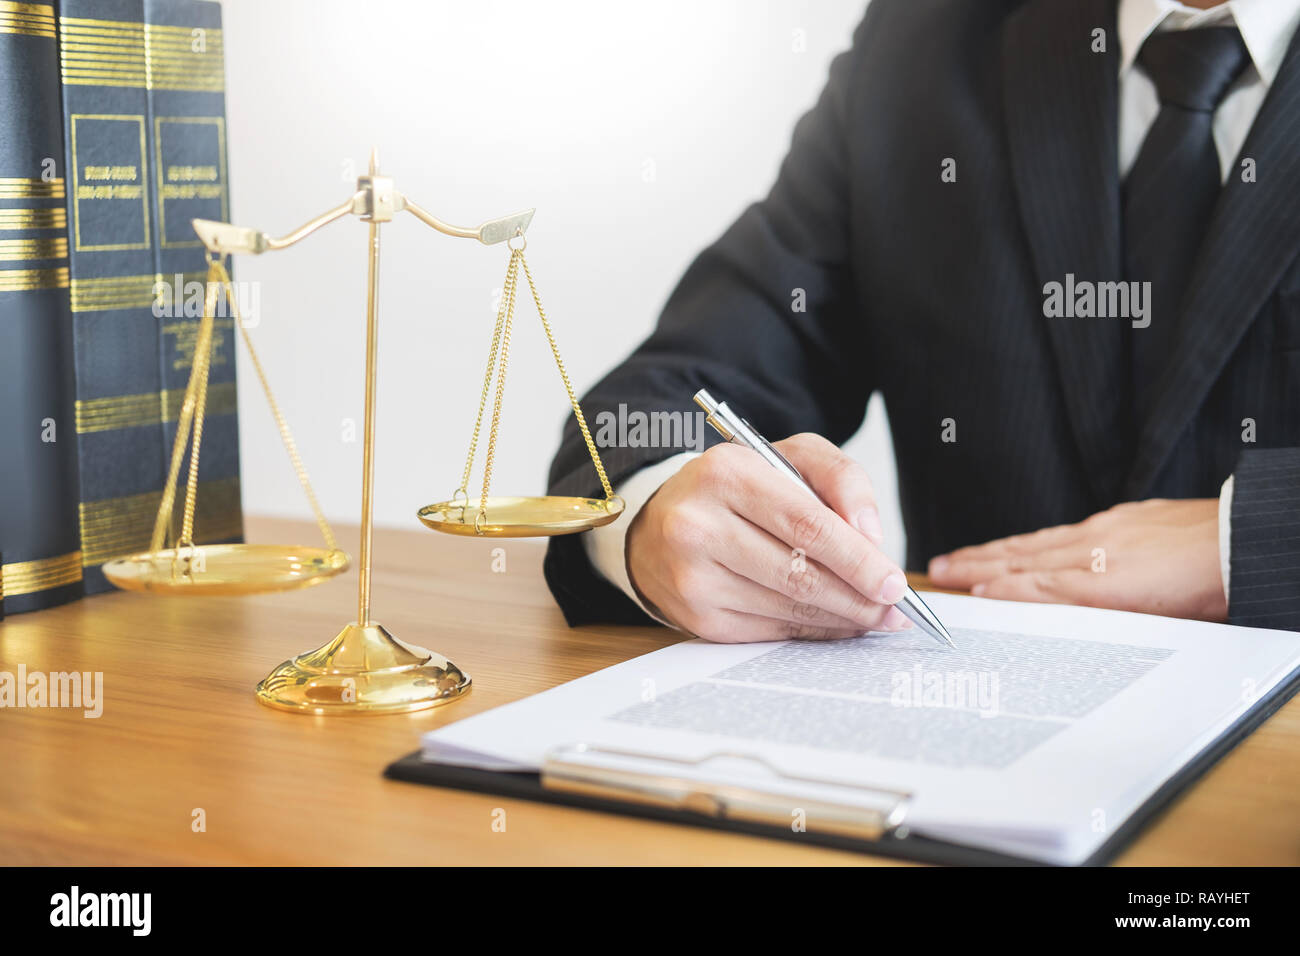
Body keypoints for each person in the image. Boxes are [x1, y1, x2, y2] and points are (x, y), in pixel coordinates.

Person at [544, 0, 1300, 641]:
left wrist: (1255, 539)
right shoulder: (924, 40)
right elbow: (655, 405)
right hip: (962, 736)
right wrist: (657, 518)